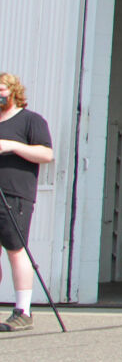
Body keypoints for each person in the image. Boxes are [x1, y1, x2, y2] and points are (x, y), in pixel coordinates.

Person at [0, 72, 54, 334]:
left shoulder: (31, 121)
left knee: (15, 249)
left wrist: (11, 146)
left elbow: (46, 154)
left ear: (13, 91)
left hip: (14, 195)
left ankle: (23, 310)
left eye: (1, 90)